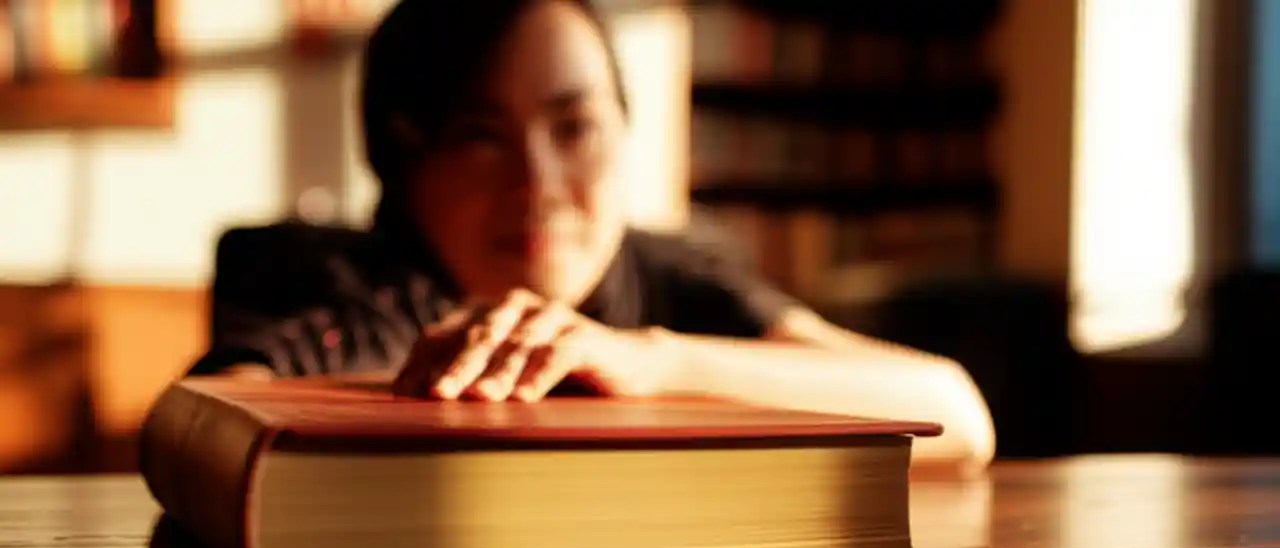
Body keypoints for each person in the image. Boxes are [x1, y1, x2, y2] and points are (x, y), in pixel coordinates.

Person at [191, 0, 995, 468]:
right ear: (403, 158)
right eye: (480, 134)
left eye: (574, 127)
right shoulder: (332, 280)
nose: (538, 185)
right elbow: (210, 430)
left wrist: (653, 359)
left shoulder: (671, 275)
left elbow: (955, 413)